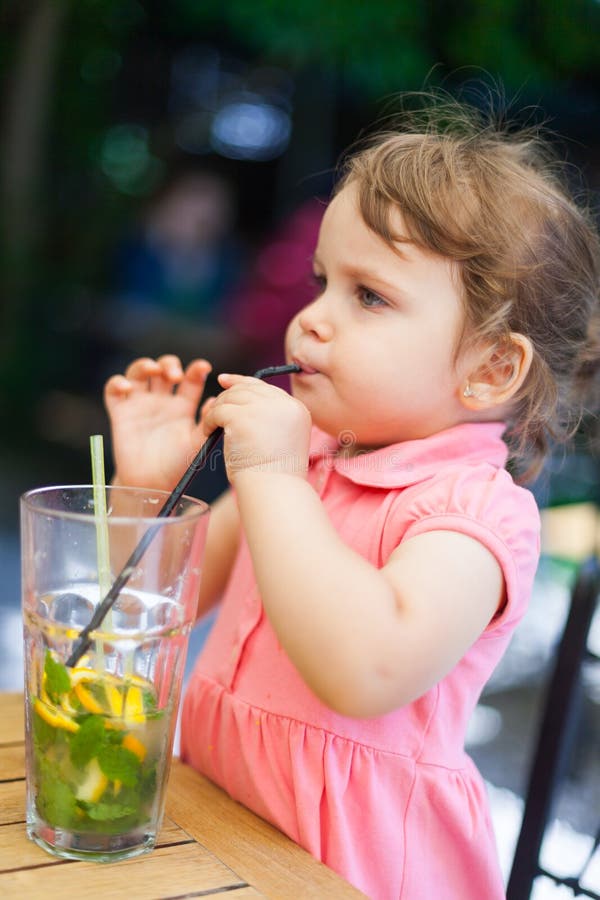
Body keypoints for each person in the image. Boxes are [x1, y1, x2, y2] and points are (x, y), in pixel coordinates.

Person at [103, 96, 600, 899]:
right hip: (219, 831)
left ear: (490, 370)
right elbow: (163, 597)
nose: (309, 321)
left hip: (355, 874)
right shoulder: (318, 459)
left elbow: (365, 669)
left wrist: (269, 477)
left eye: (368, 296)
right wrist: (156, 490)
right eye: (322, 282)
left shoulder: (472, 516)